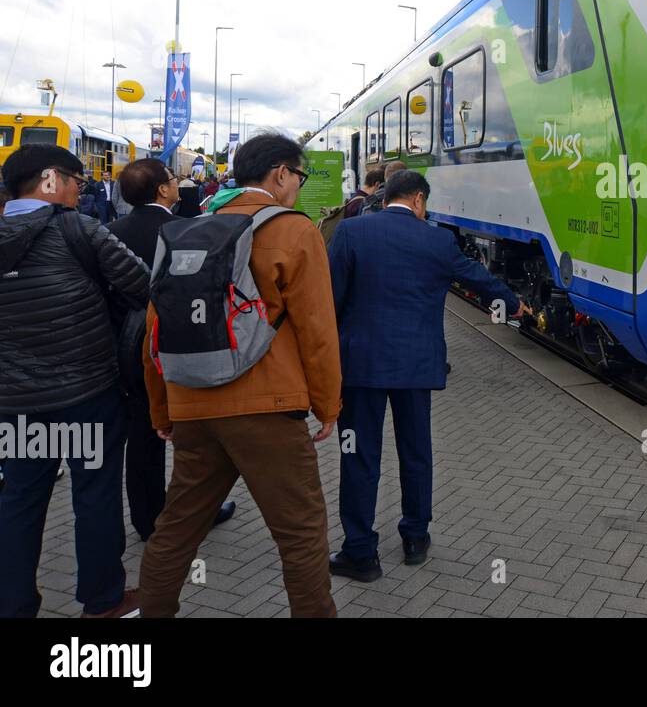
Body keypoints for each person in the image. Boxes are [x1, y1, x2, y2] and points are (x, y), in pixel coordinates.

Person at [137, 133, 342, 618]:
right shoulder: (294, 230)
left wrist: (162, 408)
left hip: (193, 406)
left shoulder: (189, 230)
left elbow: (154, 330)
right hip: (267, 411)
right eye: (299, 175)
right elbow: (318, 328)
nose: (298, 186)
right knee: (300, 533)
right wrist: (327, 404)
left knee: (178, 526)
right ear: (280, 173)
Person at [326, 169, 530, 581]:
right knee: (416, 451)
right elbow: (479, 279)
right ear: (418, 200)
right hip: (416, 368)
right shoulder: (437, 240)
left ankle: (360, 553)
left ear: (387, 199)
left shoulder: (353, 233)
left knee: (358, 456)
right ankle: (415, 537)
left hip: (361, 367)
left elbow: (330, 301)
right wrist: (513, 303)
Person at [0, 145, 151, 618]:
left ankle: (13, 603)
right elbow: (144, 285)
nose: (77, 190)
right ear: (51, 179)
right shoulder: (77, 228)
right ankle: (103, 600)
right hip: (86, 391)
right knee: (95, 494)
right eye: (74, 180)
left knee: (19, 499)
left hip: (15, 400)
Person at [108, 159, 236, 540]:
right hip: (173, 345)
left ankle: (147, 518)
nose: (177, 183)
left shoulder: (109, 230)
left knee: (143, 434)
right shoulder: (183, 230)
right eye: (171, 179)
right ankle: (193, 513)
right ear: (162, 190)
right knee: (192, 437)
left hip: (124, 348)